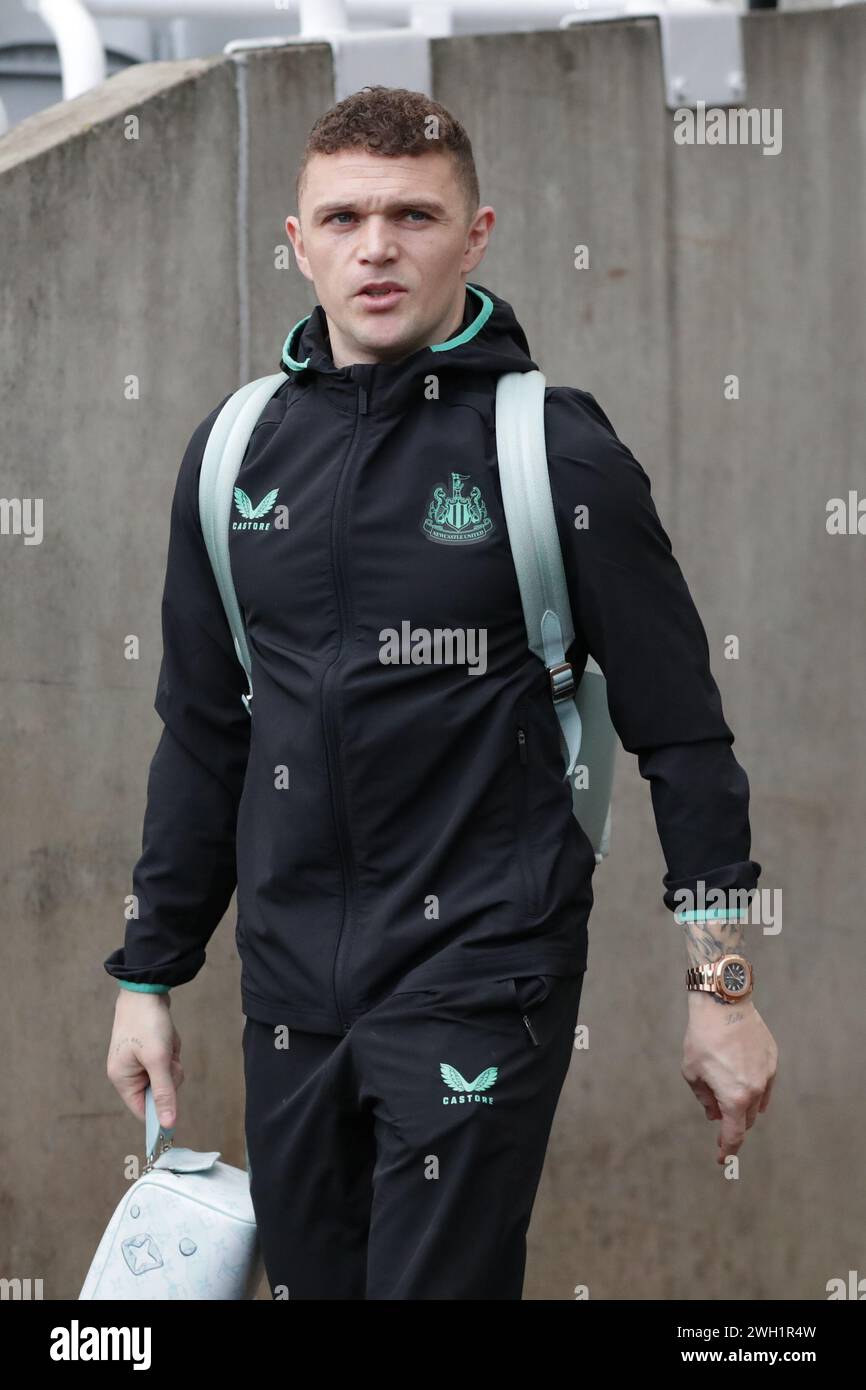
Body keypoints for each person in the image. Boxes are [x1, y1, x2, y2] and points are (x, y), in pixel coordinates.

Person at [105, 86, 778, 1300]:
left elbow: (683, 733)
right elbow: (203, 735)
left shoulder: (550, 451)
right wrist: (148, 977)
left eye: (413, 215)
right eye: (345, 216)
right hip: (292, 986)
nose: (376, 247)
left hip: (481, 977)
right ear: (296, 240)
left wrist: (720, 988)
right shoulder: (229, 452)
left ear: (474, 236)